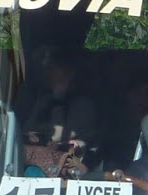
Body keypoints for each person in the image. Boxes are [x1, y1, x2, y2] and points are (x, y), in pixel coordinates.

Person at [22, 49, 99, 177]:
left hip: (72, 162)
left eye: (55, 70)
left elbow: (61, 134)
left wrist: (58, 98)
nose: (50, 74)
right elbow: (29, 128)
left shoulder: (84, 103)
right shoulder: (44, 99)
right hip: (40, 158)